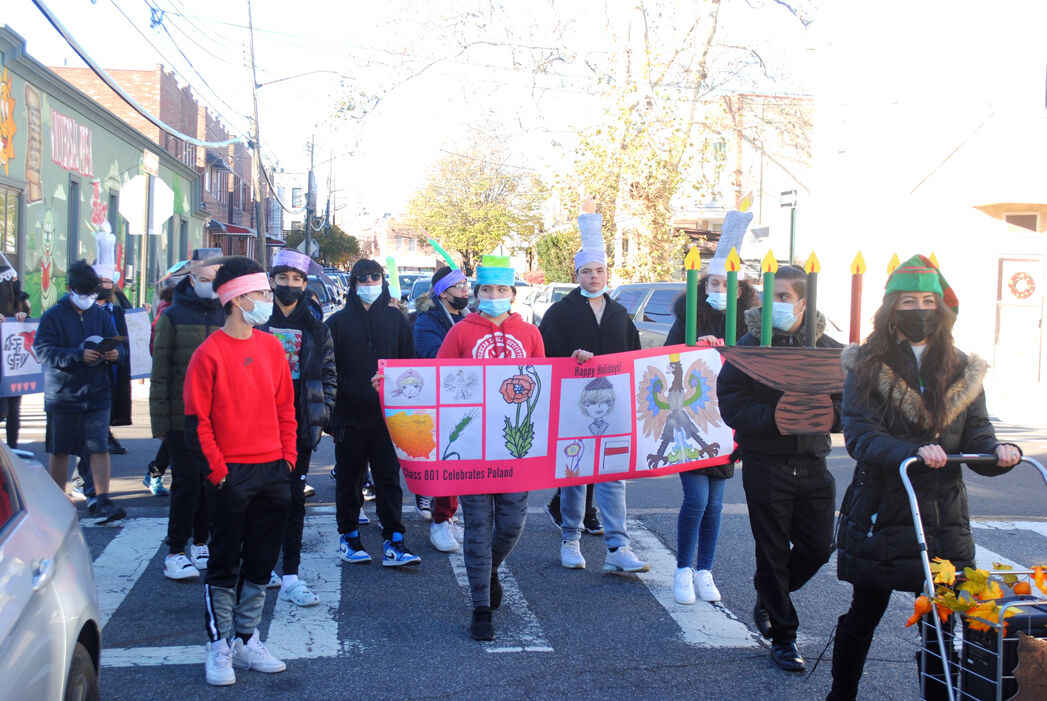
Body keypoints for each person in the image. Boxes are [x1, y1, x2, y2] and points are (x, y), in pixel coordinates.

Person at [827, 256, 1021, 701]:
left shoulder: (962, 367)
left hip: (944, 513)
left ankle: (940, 695)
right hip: (883, 507)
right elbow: (860, 436)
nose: (920, 309)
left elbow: (977, 432)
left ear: (942, 307)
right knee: (866, 610)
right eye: (910, 300)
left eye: (928, 300)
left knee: (943, 618)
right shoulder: (867, 364)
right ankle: (841, 694)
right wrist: (911, 451)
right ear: (893, 307)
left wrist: (998, 453)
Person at [717, 264, 842, 673]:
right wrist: (775, 417)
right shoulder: (750, 347)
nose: (777, 306)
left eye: (785, 298)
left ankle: (769, 593)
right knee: (771, 552)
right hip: (766, 463)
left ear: (804, 302)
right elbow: (731, 399)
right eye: (772, 297)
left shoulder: (828, 350)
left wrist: (826, 415)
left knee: (817, 548)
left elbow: (849, 403)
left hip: (813, 463)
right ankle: (783, 637)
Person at [183, 256, 296, 687]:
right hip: (231, 474)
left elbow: (286, 406)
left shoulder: (271, 347)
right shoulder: (207, 353)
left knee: (262, 562)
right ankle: (220, 644)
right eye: (263, 293)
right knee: (225, 562)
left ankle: (248, 638)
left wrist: (286, 460)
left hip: (272, 470)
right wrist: (218, 473)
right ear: (237, 298)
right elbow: (197, 421)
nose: (270, 299)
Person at [433, 254, 545, 641]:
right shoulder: (460, 333)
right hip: (471, 447)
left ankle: (489, 568)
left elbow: (544, 385)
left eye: (501, 289)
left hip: (516, 446)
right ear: (477, 294)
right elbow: (439, 381)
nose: (493, 295)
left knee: (512, 523)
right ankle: (481, 606)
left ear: (512, 294)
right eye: (486, 290)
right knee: (477, 526)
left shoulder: (529, 333)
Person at [539, 198, 648, 574]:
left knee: (613, 477)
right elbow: (546, 357)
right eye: (587, 271)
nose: (594, 277)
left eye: (600, 270)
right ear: (577, 275)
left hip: (612, 408)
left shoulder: (619, 314)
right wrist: (571, 358)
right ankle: (570, 538)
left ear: (607, 273)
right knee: (575, 475)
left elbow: (632, 359)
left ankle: (618, 548)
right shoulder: (559, 313)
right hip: (573, 407)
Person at [665, 261, 759, 604]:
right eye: (713, 284)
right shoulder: (687, 319)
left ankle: (705, 569)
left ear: (739, 290)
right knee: (697, 499)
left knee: (716, 504)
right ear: (703, 286)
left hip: (726, 423)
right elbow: (666, 360)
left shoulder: (750, 325)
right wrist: (695, 347)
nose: (718, 290)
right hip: (690, 419)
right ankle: (683, 569)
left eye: (726, 284)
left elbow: (756, 365)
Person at [327, 259, 420, 567]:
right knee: (350, 479)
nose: (369, 284)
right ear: (353, 284)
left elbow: (411, 365)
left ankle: (394, 539)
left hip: (389, 416)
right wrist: (348, 395)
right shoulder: (337, 323)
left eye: (375, 278)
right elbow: (328, 372)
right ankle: (349, 535)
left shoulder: (396, 320)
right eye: (362, 279)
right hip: (349, 415)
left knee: (388, 478)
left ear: (383, 281)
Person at [260, 249, 337, 606]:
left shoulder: (316, 328)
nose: (289, 286)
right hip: (257, 424)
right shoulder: (256, 321)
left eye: (297, 280)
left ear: (305, 285)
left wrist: (321, 413)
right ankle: (259, 567)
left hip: (299, 425)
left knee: (292, 500)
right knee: (257, 500)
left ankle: (290, 573)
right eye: (283, 279)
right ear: (271, 280)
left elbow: (329, 376)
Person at [150, 248, 224, 579]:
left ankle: (202, 542)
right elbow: (161, 374)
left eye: (215, 279)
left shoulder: (229, 313)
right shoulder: (173, 316)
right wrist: (161, 422)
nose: (209, 285)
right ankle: (176, 550)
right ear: (191, 279)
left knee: (212, 482)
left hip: (220, 417)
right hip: (183, 416)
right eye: (203, 279)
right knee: (185, 484)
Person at [35, 260, 126, 525]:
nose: (87, 299)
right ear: (69, 289)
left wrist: (114, 353)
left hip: (98, 392)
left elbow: (122, 350)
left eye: (92, 295)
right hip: (63, 393)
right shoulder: (53, 316)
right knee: (61, 449)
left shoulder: (101, 315)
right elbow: (43, 351)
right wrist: (77, 355)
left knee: (99, 447)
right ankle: (57, 500)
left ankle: (103, 500)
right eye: (82, 294)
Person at [413, 265, 471, 552]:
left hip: (466, 397)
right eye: (459, 286)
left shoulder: (470, 318)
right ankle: (440, 520)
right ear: (443, 292)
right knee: (447, 459)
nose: (465, 291)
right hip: (439, 399)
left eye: (466, 285)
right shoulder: (428, 321)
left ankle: (448, 514)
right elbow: (433, 357)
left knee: (461, 461)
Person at [0, 269, 31, 448]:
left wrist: (23, 316)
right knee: (10, 409)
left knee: (13, 409)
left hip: (12, 361)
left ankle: (13, 449)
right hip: (10, 361)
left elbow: (28, 314)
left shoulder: (17, 297)